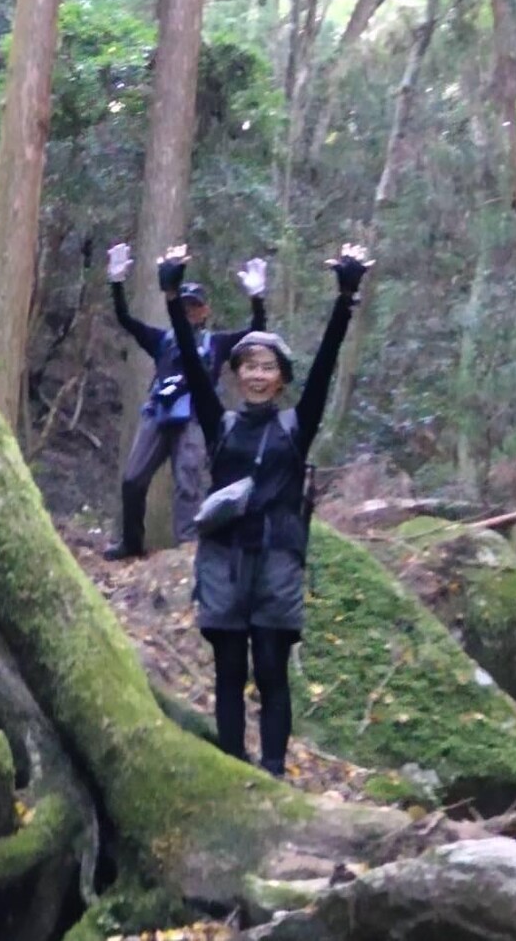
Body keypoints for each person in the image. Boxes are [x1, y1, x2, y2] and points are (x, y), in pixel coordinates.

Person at [159, 240, 371, 776]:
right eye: (248, 366)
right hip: (224, 560)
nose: (256, 375)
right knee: (228, 670)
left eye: (267, 367)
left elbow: (323, 366)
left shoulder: (295, 428)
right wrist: (169, 294)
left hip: (276, 560)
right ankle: (233, 769)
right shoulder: (221, 423)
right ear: (235, 375)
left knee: (272, 669)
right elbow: (186, 355)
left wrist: (345, 298)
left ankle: (273, 771)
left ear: (280, 377)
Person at [103, 242, 268, 561]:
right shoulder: (162, 340)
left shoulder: (216, 344)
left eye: (196, 306)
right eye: (187, 304)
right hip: (158, 413)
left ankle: (187, 549)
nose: (191, 311)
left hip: (193, 418)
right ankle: (131, 541)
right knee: (132, 479)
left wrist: (257, 299)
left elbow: (255, 332)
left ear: (205, 311)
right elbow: (125, 319)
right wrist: (116, 282)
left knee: (187, 483)